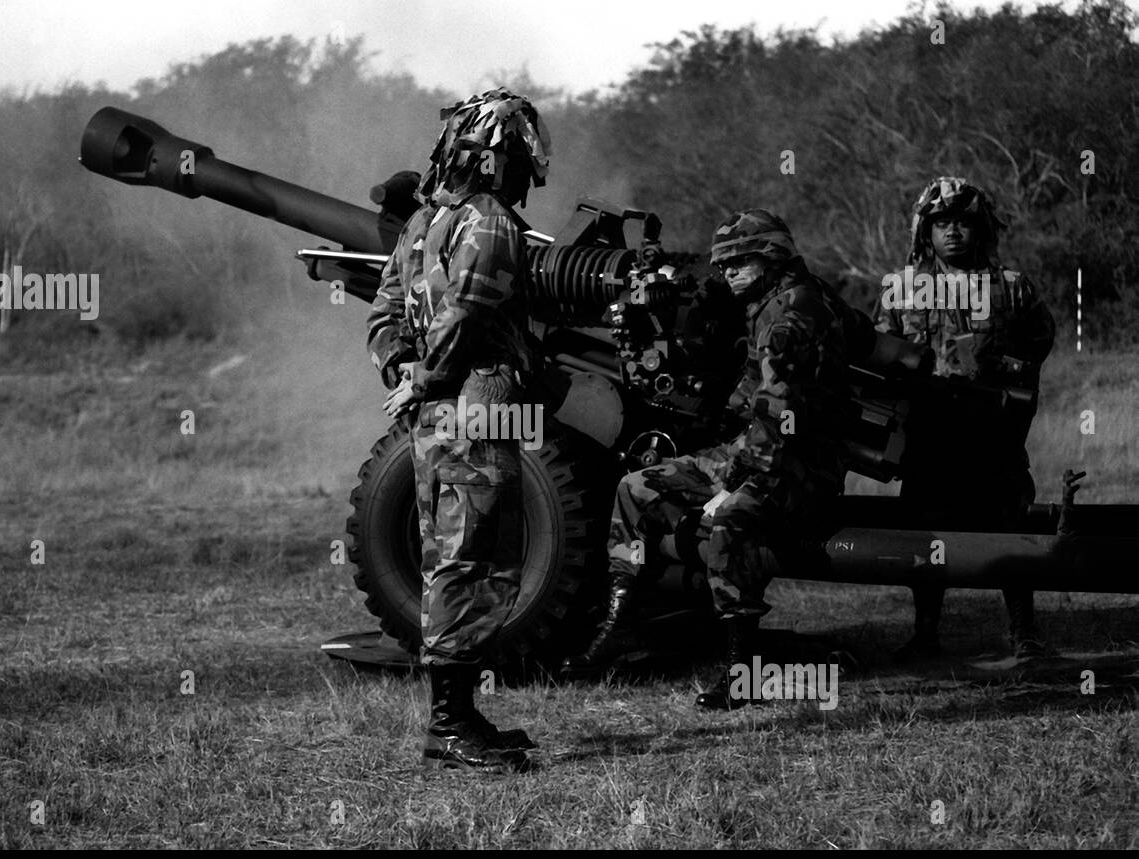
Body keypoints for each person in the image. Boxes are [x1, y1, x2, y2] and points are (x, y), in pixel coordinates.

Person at [564, 210, 864, 710]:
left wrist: (729, 483)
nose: (728, 274)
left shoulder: (791, 316)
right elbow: (747, 400)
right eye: (723, 265)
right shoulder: (770, 305)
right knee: (636, 489)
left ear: (771, 257)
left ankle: (742, 669)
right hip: (756, 453)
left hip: (798, 464)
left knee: (729, 519)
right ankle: (621, 624)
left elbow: (777, 425)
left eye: (739, 263)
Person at [365, 88, 551, 772]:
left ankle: (461, 714)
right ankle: (449, 722)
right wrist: (428, 373)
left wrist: (405, 372)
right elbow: (469, 313)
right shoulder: (491, 222)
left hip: (437, 416)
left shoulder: (422, 225)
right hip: (475, 404)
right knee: (472, 555)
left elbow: (383, 314)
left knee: (450, 551)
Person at [875, 177, 1055, 660]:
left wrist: (997, 365)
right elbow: (878, 350)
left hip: (992, 434)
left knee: (1009, 525)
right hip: (929, 433)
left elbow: (1039, 342)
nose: (952, 232)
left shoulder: (1012, 287)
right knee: (924, 531)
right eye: (941, 224)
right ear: (924, 231)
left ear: (981, 229)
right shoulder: (901, 288)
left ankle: (1024, 632)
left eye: (962, 222)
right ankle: (926, 633)